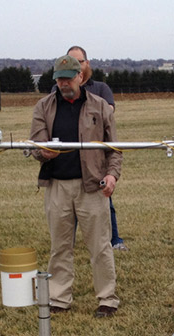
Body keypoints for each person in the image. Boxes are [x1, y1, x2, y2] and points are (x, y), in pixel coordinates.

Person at [30, 55, 122, 318]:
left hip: (91, 188)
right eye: (59, 79)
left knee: (100, 246)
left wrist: (112, 176)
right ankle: (59, 298)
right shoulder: (43, 106)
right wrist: (42, 152)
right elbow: (35, 144)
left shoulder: (100, 106)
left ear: (80, 77)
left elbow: (115, 149)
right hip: (57, 187)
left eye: (68, 78)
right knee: (59, 246)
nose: (63, 84)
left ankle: (107, 299)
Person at [66, 45, 127, 251]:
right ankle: (68, 243)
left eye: (79, 62)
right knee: (69, 208)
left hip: (95, 160)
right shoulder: (59, 90)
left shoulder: (101, 89)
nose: (77, 66)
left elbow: (107, 113)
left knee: (105, 202)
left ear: (87, 63)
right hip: (70, 161)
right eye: (72, 62)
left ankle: (114, 240)